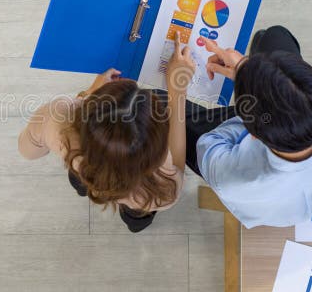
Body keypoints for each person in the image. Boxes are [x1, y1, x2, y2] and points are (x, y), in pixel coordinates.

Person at [186, 25, 312, 229]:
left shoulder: (232, 179)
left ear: (251, 134)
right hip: (281, 150)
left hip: (242, 143)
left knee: (174, 116)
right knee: (275, 36)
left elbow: (211, 141)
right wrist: (247, 72)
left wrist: (247, 72)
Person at [18, 37, 196, 232]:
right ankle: (134, 224)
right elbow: (177, 165)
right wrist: (177, 92)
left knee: (81, 181)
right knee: (137, 216)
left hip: (84, 168)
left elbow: (27, 151)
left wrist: (87, 94)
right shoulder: (164, 191)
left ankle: (84, 187)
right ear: (159, 149)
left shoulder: (58, 116)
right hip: (142, 194)